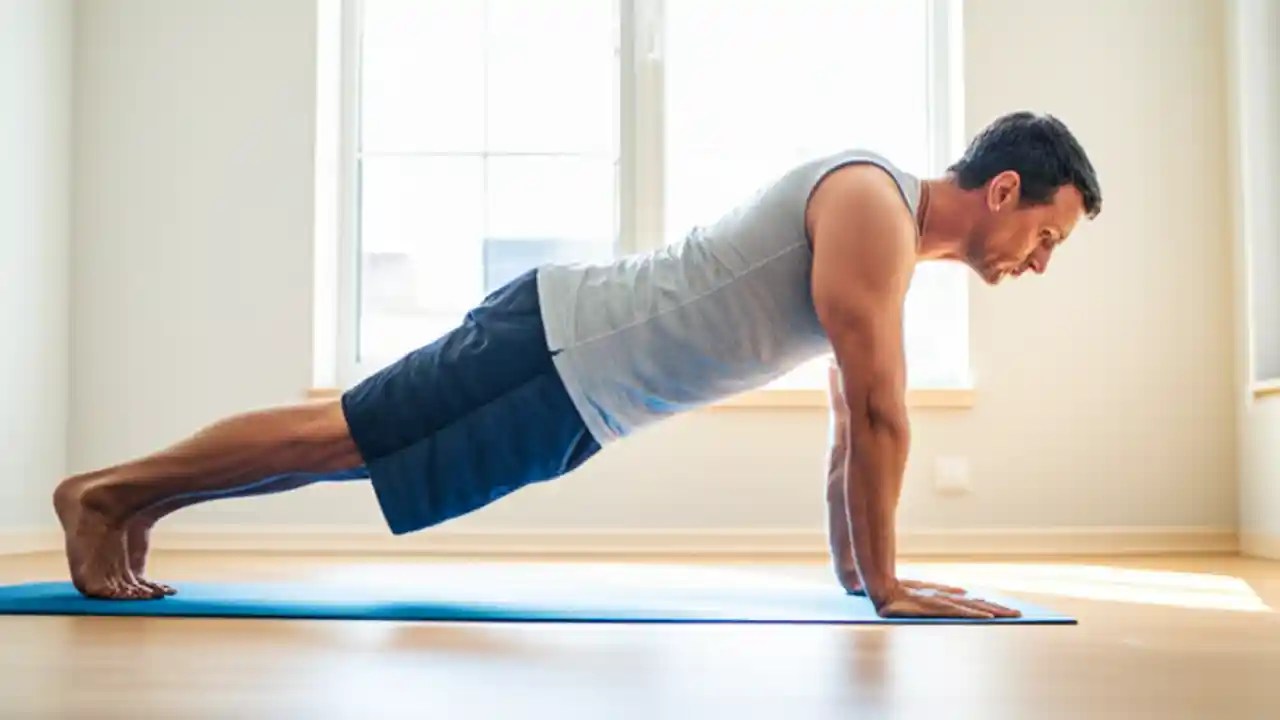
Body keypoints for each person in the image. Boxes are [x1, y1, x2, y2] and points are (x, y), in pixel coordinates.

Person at [54, 111, 1101, 617]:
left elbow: (849, 427)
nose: (1039, 266)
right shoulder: (871, 205)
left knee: (357, 454)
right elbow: (877, 417)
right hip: (556, 348)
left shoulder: (879, 241)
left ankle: (138, 507)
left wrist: (854, 576)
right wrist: (885, 588)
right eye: (1047, 239)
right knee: (349, 433)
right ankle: (103, 497)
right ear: (1002, 191)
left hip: (575, 392)